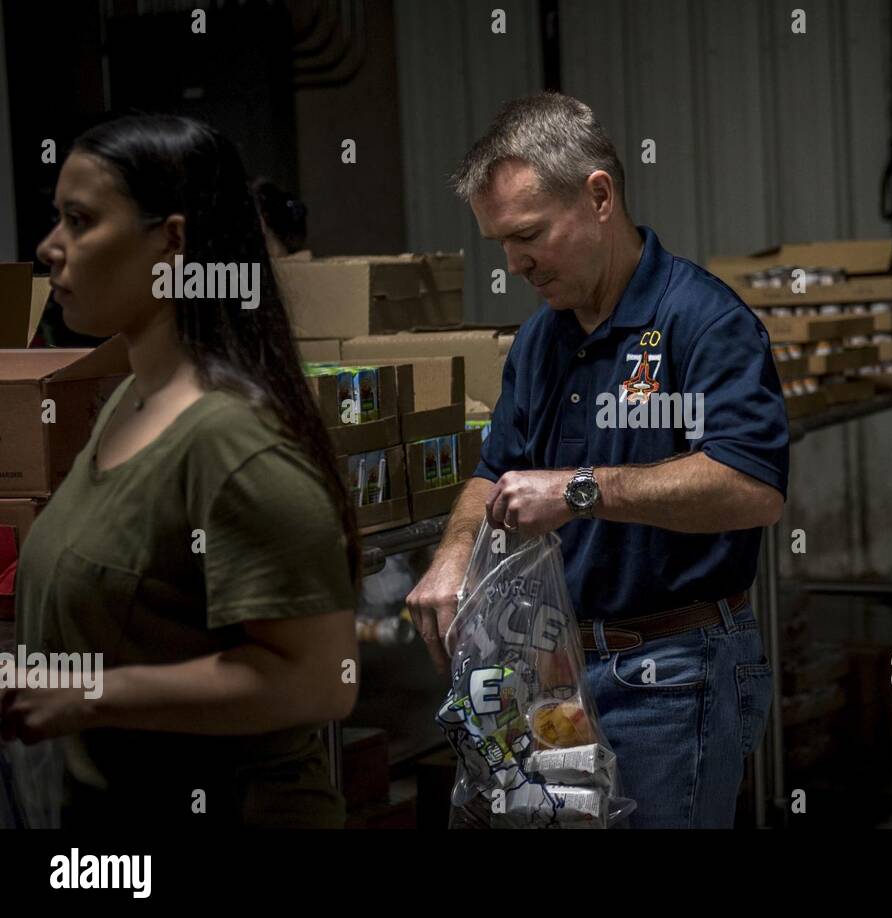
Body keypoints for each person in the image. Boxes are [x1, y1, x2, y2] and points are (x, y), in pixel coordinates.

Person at [406, 92, 788, 828]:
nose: (514, 263)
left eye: (529, 235)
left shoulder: (702, 321)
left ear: (600, 196)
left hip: (673, 672)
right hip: (554, 672)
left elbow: (752, 487)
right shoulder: (540, 342)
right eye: (500, 245)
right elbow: (497, 466)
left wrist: (581, 490)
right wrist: (454, 553)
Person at [3, 114, 360, 827]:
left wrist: (85, 695)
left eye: (80, 220)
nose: (50, 249)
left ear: (171, 241)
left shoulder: (231, 438)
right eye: (56, 219)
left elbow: (320, 681)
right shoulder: (129, 402)